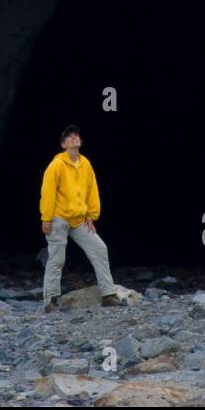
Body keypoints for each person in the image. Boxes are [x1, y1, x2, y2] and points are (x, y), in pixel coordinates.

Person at [39, 124, 121, 312]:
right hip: (58, 217)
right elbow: (48, 192)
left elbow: (92, 191)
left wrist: (91, 215)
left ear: (81, 142)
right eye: (69, 137)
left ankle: (108, 294)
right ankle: (50, 300)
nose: (74, 138)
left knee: (100, 248)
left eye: (76, 136)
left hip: (79, 219)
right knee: (57, 258)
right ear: (63, 144)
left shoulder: (86, 164)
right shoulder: (57, 164)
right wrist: (46, 218)